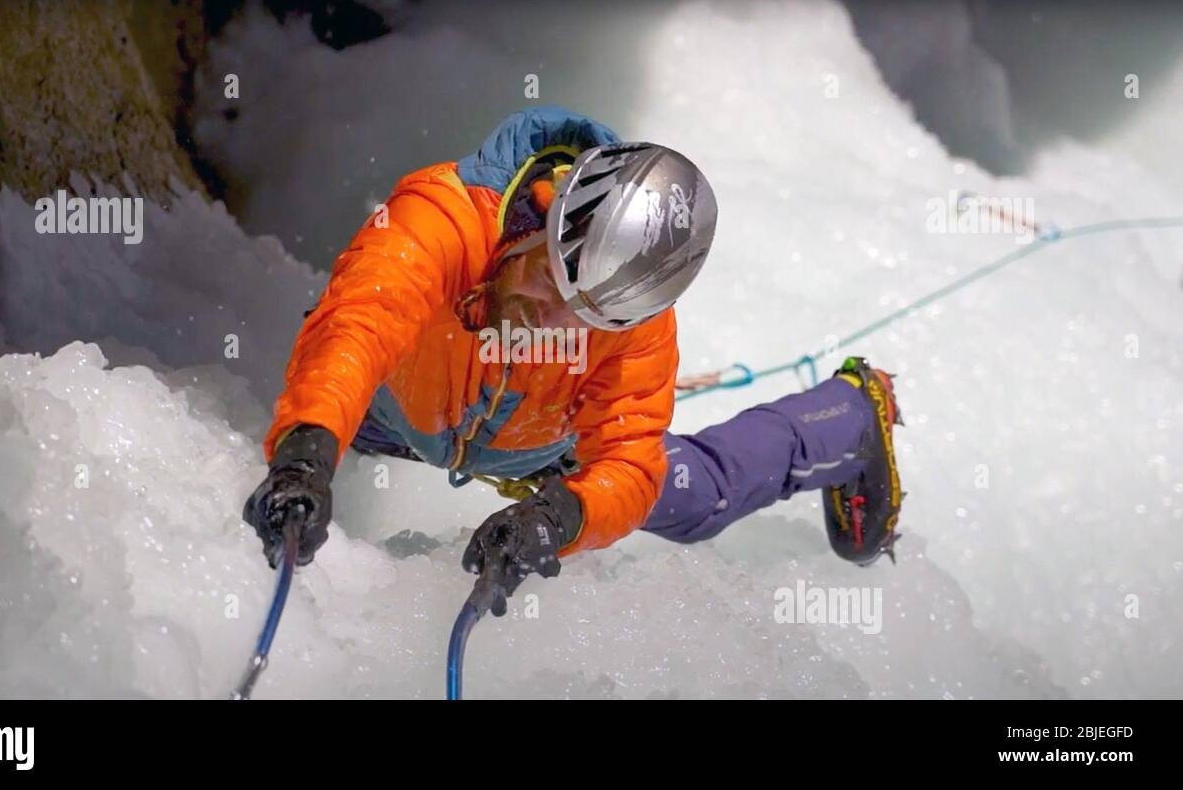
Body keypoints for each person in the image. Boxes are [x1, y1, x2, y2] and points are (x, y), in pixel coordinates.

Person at [243, 106, 903, 617]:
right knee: (325, 401)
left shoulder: (638, 317)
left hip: (539, 448)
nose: (552, 324)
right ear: (540, 217)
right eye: (552, 284)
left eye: (587, 319)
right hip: (389, 406)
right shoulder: (444, 214)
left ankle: (846, 418)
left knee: (698, 496)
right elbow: (359, 327)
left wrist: (559, 517)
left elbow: (627, 459)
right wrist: (308, 449)